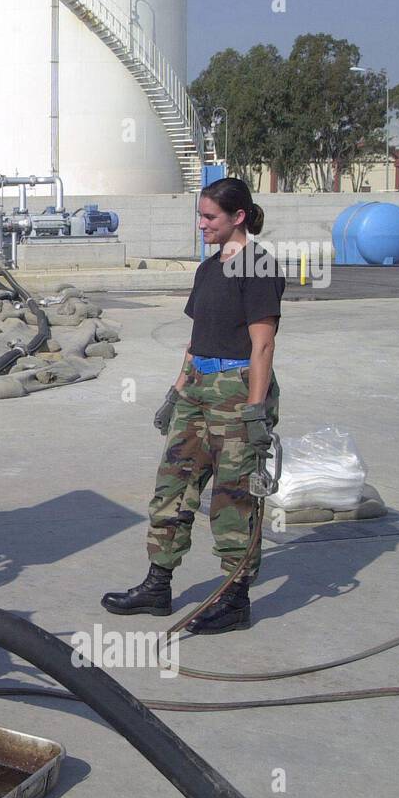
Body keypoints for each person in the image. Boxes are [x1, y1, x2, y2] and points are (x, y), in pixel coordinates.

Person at [102, 178, 283, 634]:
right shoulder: (206, 270)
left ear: (237, 217)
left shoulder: (259, 268)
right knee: (172, 488)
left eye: (210, 217)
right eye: (200, 216)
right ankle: (157, 586)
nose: (201, 225)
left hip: (237, 390)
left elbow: (263, 346)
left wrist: (256, 411)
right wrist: (175, 392)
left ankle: (235, 598)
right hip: (197, 389)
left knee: (234, 497)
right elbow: (194, 340)